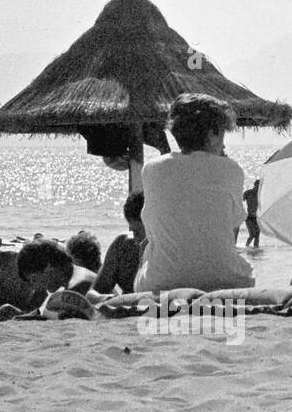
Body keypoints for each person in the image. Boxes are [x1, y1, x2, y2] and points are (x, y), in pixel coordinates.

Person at [134, 94, 254, 293]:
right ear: (213, 132)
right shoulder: (232, 170)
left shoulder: (151, 169)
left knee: (146, 252)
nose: (223, 143)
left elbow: (152, 231)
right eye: (222, 133)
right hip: (227, 281)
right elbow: (230, 233)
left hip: (163, 283)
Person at [94, 191, 147, 295]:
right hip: (126, 306)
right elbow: (95, 292)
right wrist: (103, 299)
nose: (135, 239)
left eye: (137, 232)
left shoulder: (166, 251)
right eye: (131, 230)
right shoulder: (122, 246)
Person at [17, 238, 99, 299]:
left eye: (34, 279)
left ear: (49, 267)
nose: (35, 287)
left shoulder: (76, 287)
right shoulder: (77, 274)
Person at [242, 180, 261, 248]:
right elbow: (240, 201)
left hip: (256, 217)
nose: (259, 187)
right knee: (252, 234)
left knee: (258, 233)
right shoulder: (248, 193)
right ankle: (246, 246)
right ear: (255, 185)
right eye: (258, 185)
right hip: (249, 217)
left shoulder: (260, 194)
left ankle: (256, 247)